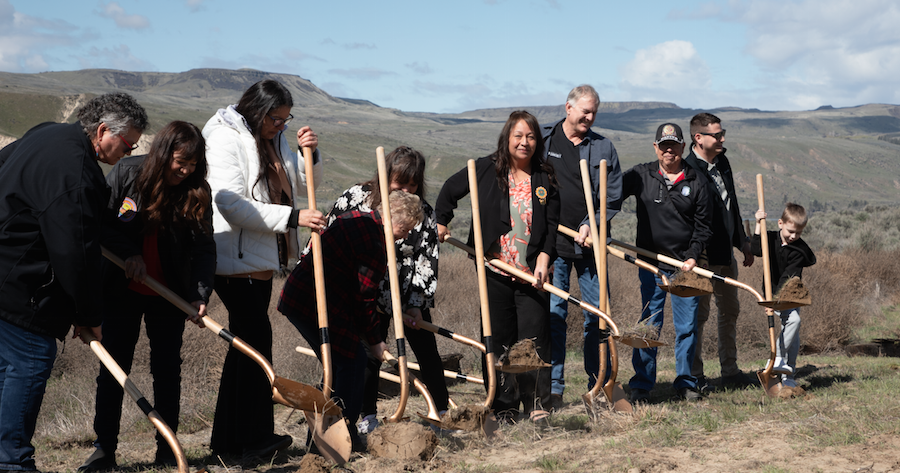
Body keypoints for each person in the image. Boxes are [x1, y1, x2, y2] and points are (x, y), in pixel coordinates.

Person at [0, 93, 148, 472]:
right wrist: (88, 314)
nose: (128, 151)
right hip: (24, 289)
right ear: (102, 131)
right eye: (127, 143)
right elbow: (75, 253)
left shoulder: (44, 134)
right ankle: (12, 463)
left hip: (7, 273)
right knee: (29, 364)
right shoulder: (78, 172)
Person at [78, 121, 216, 472]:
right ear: (163, 152)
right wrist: (129, 253)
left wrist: (199, 295)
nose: (185, 171)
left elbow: (203, 249)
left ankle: (167, 449)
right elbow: (101, 223)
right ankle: (104, 449)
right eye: (180, 162)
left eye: (192, 165)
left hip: (167, 294)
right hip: (120, 289)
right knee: (113, 369)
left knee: (167, 371)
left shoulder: (197, 191)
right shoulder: (127, 173)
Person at [202, 79, 325, 460]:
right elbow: (229, 204)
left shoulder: (274, 138)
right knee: (255, 344)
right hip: (234, 257)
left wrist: (312, 154)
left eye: (287, 120)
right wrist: (293, 217)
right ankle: (251, 438)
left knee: (247, 347)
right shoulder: (224, 137)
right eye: (276, 119)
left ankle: (233, 441)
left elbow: (305, 183)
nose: (281, 126)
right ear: (258, 110)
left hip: (262, 259)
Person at [312, 146, 448, 434]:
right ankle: (367, 415)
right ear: (385, 177)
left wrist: (415, 302)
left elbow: (427, 259)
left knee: (427, 351)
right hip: (365, 294)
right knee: (371, 353)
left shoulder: (422, 211)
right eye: (400, 183)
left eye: (413, 184)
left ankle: (442, 410)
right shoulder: (357, 197)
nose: (407, 190)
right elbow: (328, 234)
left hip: (408, 294)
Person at [436, 110, 560, 422]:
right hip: (494, 270)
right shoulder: (486, 168)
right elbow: (450, 190)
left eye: (531, 136)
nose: (524, 142)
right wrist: (441, 220)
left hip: (533, 274)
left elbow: (552, 225)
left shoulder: (545, 175)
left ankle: (535, 404)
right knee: (499, 338)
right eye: (518, 136)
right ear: (506, 139)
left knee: (533, 339)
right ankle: (503, 405)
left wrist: (545, 258)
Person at [278, 190, 424, 452]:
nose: (406, 235)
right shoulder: (374, 244)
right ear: (397, 220)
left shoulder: (358, 218)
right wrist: (376, 341)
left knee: (341, 364)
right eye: (407, 228)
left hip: (310, 297)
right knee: (351, 363)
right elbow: (363, 299)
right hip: (313, 301)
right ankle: (336, 436)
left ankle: (332, 435)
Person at [540, 85, 623, 409]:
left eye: (594, 113)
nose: (589, 117)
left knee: (597, 317)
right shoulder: (545, 140)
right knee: (554, 314)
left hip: (591, 245)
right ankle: (555, 387)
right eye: (585, 111)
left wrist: (592, 222)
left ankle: (599, 383)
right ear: (568, 108)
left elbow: (612, 196)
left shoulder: (603, 147)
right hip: (553, 243)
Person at [622, 123, 713, 403]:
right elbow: (610, 194)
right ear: (655, 147)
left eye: (673, 145)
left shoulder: (697, 181)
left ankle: (685, 383)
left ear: (683, 147)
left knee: (687, 327)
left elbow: (703, 227)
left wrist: (693, 255)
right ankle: (642, 383)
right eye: (663, 145)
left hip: (685, 267)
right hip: (650, 264)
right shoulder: (641, 174)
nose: (668, 150)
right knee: (650, 323)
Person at [683, 113, 757, 391]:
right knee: (699, 316)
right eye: (717, 134)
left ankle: (730, 370)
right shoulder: (688, 168)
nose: (723, 138)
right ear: (698, 138)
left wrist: (743, 241)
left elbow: (732, 204)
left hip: (726, 252)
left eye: (722, 132)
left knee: (729, 311)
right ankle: (695, 374)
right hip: (702, 256)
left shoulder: (723, 162)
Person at [751, 203, 816, 388]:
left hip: (789, 294)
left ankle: (782, 364)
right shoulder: (769, 238)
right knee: (792, 331)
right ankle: (785, 369)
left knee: (793, 323)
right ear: (780, 223)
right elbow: (756, 249)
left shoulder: (799, 250)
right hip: (770, 293)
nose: (794, 236)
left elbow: (789, 277)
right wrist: (758, 223)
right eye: (790, 231)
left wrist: (776, 302)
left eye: (798, 233)